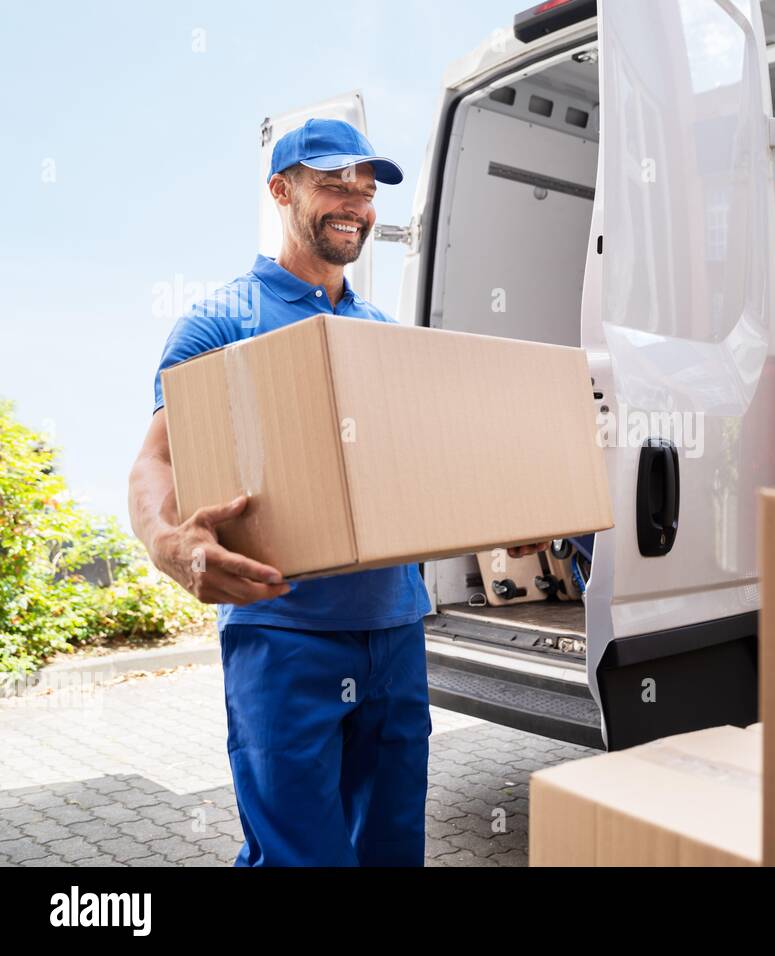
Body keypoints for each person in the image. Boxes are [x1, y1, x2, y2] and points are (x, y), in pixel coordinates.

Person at [128, 119, 544, 866]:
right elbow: (155, 461)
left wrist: (500, 505)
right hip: (283, 633)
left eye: (365, 188)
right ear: (280, 189)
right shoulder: (221, 320)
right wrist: (169, 543)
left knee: (391, 850)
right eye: (332, 183)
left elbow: (409, 465)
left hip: (392, 628)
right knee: (299, 856)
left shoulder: (378, 329)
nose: (355, 200)